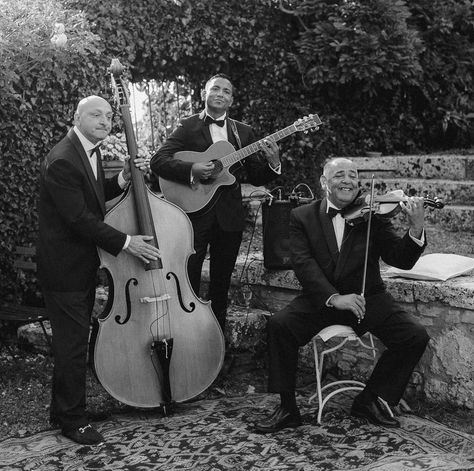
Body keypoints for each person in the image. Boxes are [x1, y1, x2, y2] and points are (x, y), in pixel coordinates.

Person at [253, 156, 429, 433]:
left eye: (353, 174)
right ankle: (287, 408)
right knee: (279, 326)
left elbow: (400, 258)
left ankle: (369, 399)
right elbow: (303, 263)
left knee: (414, 335)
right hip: (322, 298)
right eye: (339, 175)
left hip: (367, 297)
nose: (348, 180)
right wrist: (334, 298)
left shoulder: (372, 215)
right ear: (325, 183)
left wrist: (415, 228)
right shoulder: (303, 216)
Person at [37, 95, 161, 446]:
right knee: (73, 345)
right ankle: (73, 421)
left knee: (73, 343)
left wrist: (122, 177)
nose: (106, 121)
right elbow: (79, 218)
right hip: (65, 269)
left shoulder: (86, 152)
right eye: (96, 115)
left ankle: (62, 410)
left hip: (78, 266)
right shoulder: (63, 158)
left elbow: (92, 197)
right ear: (77, 116)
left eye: (109, 116)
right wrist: (127, 242)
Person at [150, 74, 281, 334]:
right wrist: (193, 169)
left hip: (229, 219)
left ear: (231, 99)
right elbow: (158, 160)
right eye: (215, 89)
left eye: (226, 91)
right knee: (189, 279)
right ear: (205, 94)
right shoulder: (187, 126)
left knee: (220, 285)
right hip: (194, 215)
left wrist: (273, 163)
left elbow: (255, 176)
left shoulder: (242, 132)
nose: (221, 94)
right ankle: (185, 337)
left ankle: (216, 343)